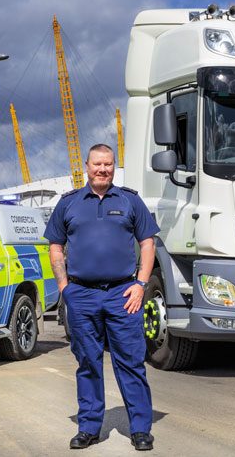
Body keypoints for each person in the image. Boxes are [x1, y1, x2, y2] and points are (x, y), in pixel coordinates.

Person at [44, 143, 160, 451]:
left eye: (108, 164)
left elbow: (148, 243)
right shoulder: (68, 203)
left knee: (131, 363)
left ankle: (140, 429)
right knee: (88, 363)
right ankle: (89, 427)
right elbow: (55, 246)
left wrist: (141, 284)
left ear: (113, 166)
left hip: (124, 295)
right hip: (81, 295)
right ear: (87, 166)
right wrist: (65, 288)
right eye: (97, 164)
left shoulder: (129, 200)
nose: (102, 169)